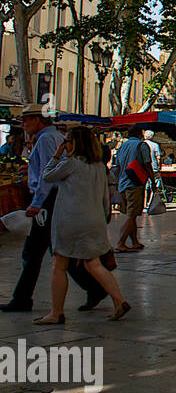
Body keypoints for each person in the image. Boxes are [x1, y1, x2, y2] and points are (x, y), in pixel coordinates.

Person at [1, 106, 109, 314]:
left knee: (42, 253)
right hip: (50, 202)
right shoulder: (51, 137)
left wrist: (37, 203)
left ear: (37, 120)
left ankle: (24, 299)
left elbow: (48, 175)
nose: (23, 124)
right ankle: (93, 288)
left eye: (26, 120)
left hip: (48, 202)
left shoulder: (46, 139)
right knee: (53, 251)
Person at [33, 127, 130, 325]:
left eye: (67, 140)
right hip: (94, 220)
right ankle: (119, 300)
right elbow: (105, 197)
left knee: (59, 265)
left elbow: (47, 176)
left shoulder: (71, 163)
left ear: (74, 143)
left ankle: (56, 312)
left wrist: (56, 155)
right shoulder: (98, 166)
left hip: (71, 221)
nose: (65, 143)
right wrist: (105, 216)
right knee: (93, 263)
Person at [112, 124, 153, 252]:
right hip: (135, 184)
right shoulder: (142, 145)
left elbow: (117, 167)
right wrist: (152, 179)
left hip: (123, 184)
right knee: (131, 215)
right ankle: (121, 242)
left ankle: (134, 241)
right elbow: (147, 165)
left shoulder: (122, 147)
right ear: (140, 134)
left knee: (131, 214)